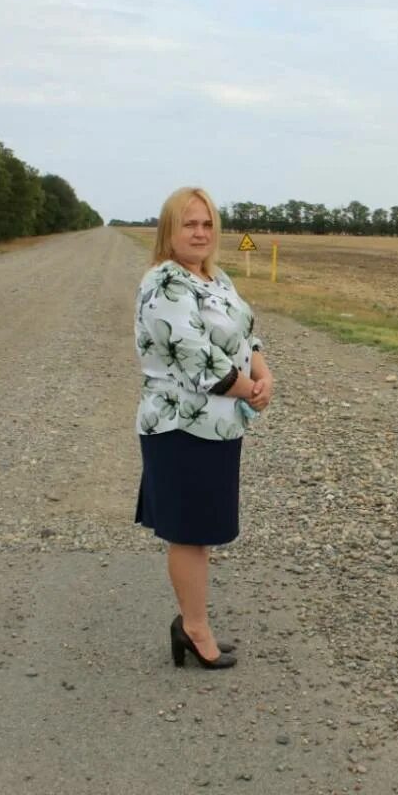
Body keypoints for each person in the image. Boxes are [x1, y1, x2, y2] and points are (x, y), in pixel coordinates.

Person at [134, 186, 274, 670]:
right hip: (180, 426)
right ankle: (195, 629)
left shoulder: (215, 277)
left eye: (207, 223)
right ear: (168, 230)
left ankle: (192, 622)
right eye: (189, 223)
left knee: (201, 529)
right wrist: (248, 389)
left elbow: (246, 331)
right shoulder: (164, 283)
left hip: (219, 426)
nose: (200, 232)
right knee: (188, 532)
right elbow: (194, 355)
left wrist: (263, 371)